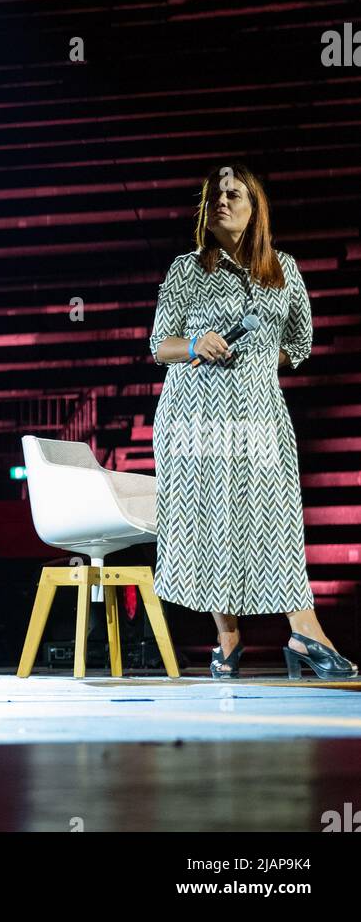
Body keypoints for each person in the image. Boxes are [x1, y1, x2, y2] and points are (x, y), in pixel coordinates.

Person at [149, 163, 357, 681]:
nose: (222, 200)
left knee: (277, 520)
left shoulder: (283, 269)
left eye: (234, 193)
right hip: (194, 418)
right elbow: (160, 345)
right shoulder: (186, 270)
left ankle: (304, 632)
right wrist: (197, 345)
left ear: (254, 207)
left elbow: (301, 344)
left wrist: (259, 358)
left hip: (260, 416)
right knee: (212, 522)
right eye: (215, 195)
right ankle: (228, 637)